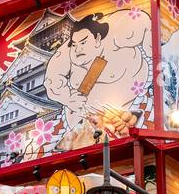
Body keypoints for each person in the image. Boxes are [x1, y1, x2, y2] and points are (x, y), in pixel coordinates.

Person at [44, 10, 152, 150]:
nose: (77, 49)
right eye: (74, 44)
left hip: (134, 104)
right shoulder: (65, 53)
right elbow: (51, 81)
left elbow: (143, 23)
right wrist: (69, 98)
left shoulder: (117, 32)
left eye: (83, 42)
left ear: (97, 38)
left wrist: (153, 52)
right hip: (85, 124)